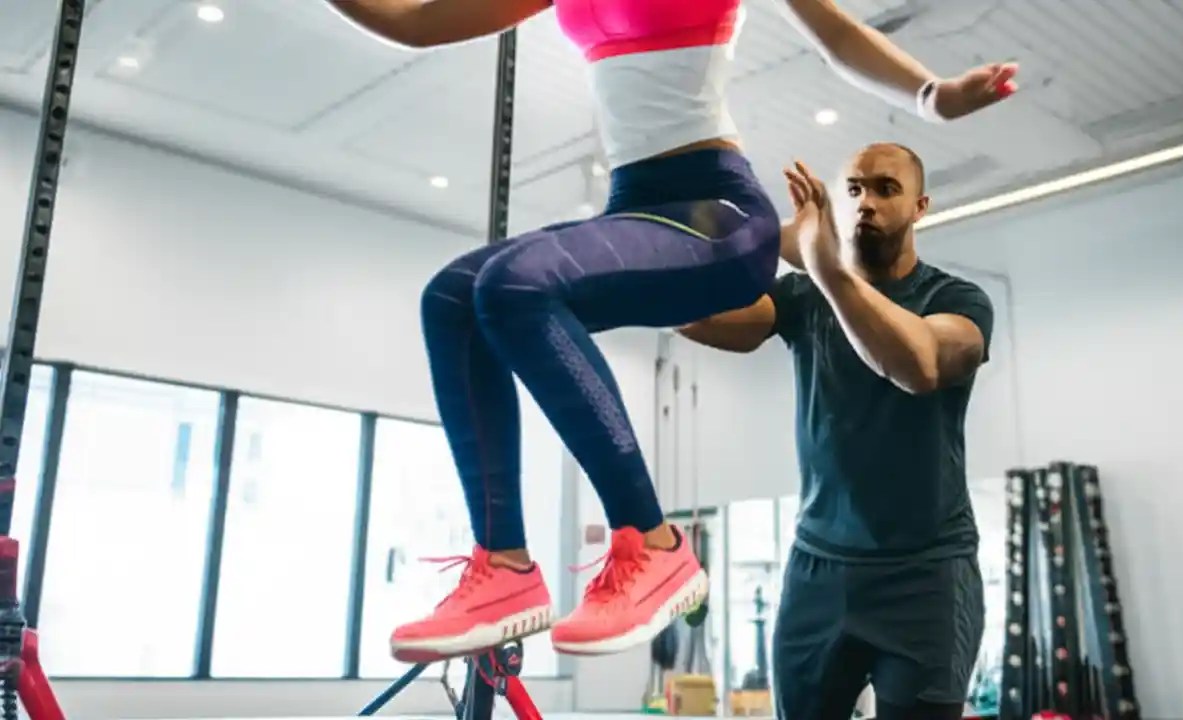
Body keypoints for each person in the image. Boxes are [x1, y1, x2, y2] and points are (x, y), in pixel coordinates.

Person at [326, 0, 1017, 662]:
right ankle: (504, 562)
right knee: (451, 299)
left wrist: (933, 95)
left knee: (513, 286)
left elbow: (832, 29)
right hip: (632, 211)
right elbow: (413, 19)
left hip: (715, 213)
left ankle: (654, 544)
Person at [679, 144, 994, 719]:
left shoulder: (958, 301)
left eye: (885, 189)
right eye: (853, 191)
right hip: (817, 571)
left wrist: (824, 266)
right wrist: (734, 240)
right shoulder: (804, 297)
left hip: (926, 574)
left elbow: (918, 365)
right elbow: (699, 317)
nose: (866, 202)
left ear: (920, 205)